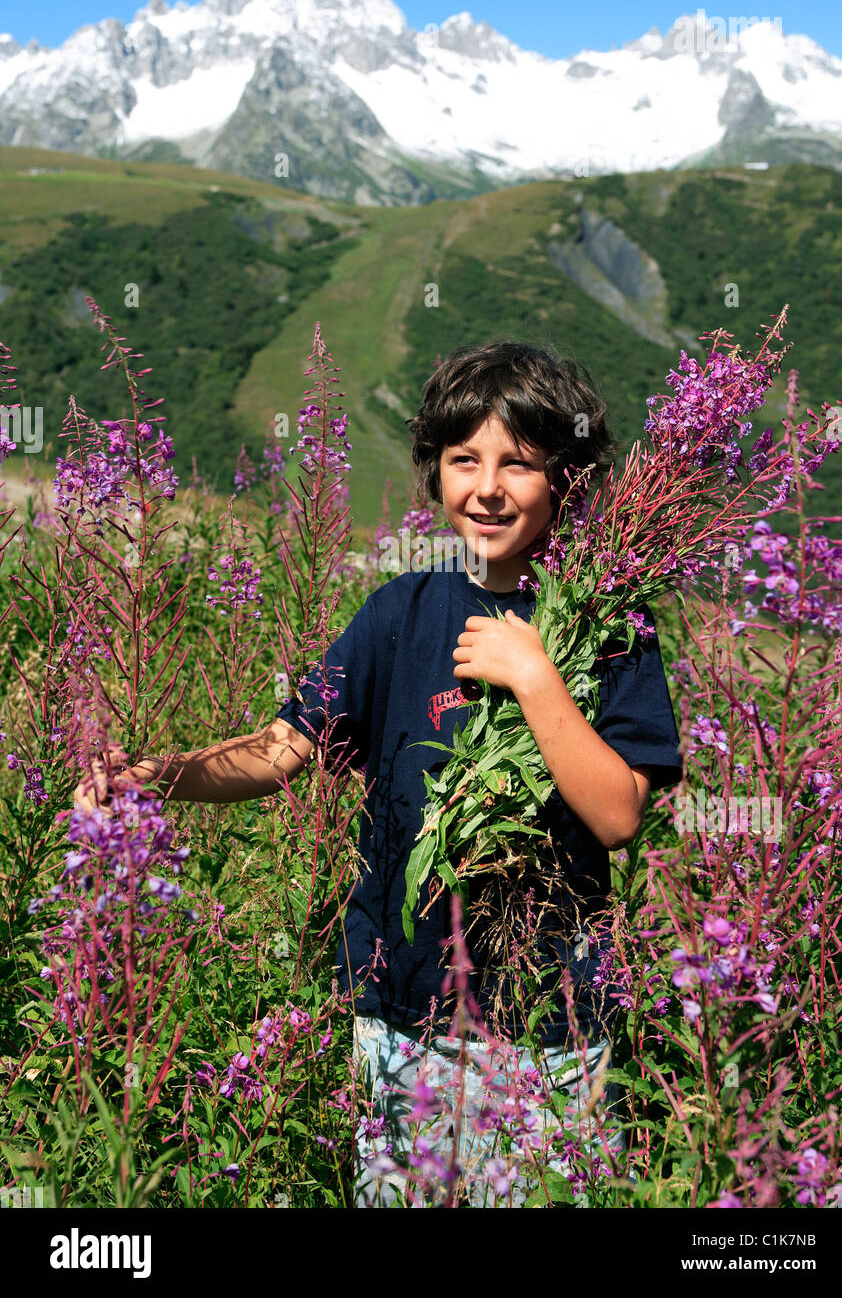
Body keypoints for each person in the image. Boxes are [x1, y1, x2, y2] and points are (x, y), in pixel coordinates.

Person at [74, 340, 683, 1208]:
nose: (488, 486)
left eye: (520, 463)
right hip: (404, 1007)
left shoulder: (612, 624)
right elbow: (284, 747)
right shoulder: (401, 612)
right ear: (434, 471)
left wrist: (536, 675)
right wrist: (158, 776)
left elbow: (620, 814)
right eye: (463, 459)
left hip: (552, 1023)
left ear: (567, 480)